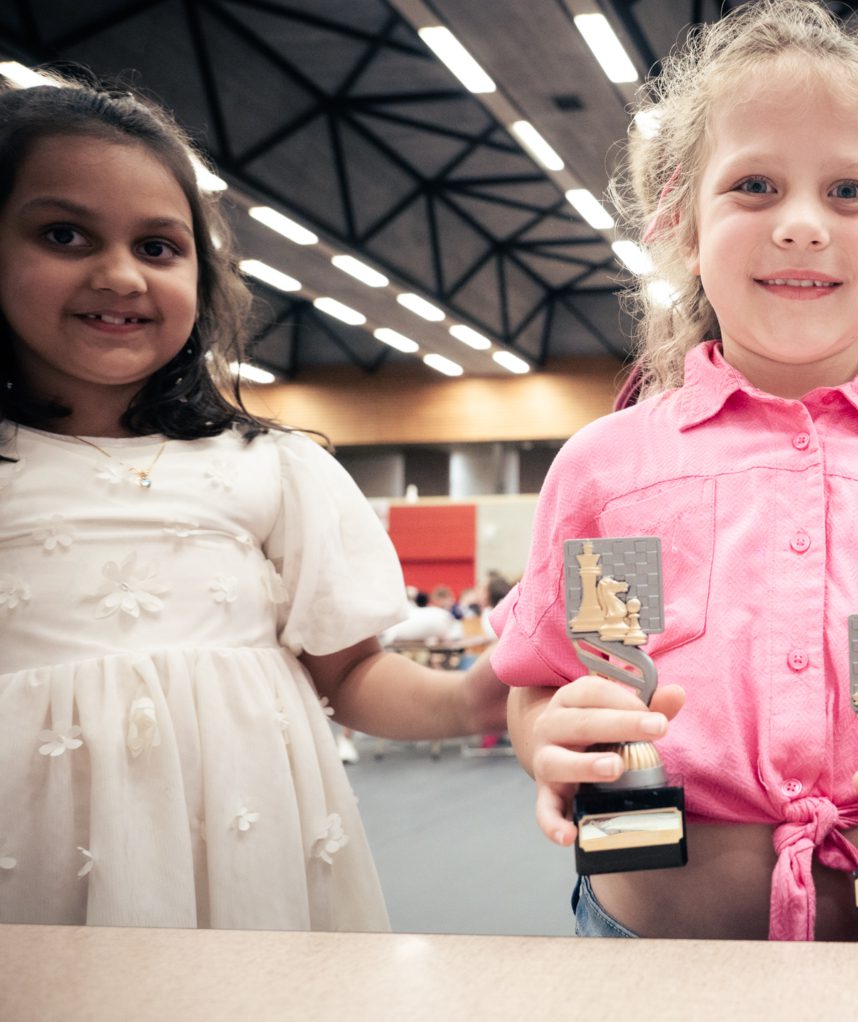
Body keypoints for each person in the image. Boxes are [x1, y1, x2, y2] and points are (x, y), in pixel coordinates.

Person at [490, 0, 858, 943]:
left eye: (850, 192)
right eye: (755, 185)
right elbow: (539, 680)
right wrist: (547, 744)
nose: (803, 224)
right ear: (680, 223)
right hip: (646, 948)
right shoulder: (606, 469)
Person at [0, 80, 508, 929]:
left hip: (249, 848)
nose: (120, 273)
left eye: (160, 247)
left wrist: (476, 698)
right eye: (64, 234)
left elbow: (349, 674)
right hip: (35, 849)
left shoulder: (269, 467)